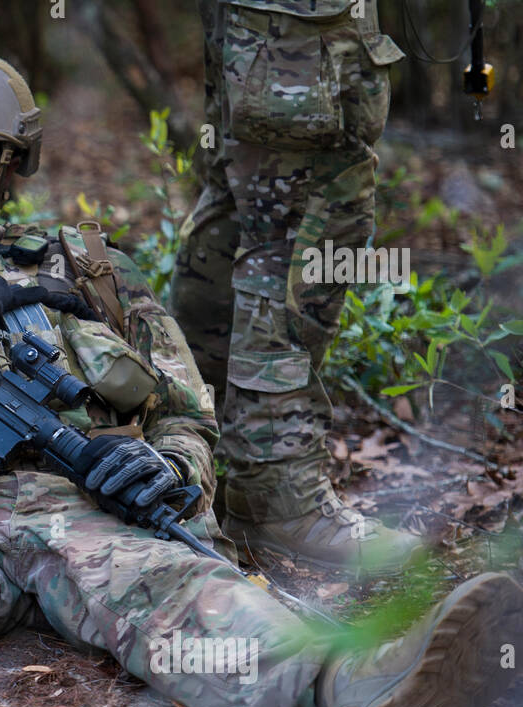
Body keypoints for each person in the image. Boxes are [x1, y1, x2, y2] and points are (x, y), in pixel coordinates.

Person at [0, 49, 523, 707]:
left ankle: (344, 687)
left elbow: (186, 412)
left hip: (84, 519)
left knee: (189, 591)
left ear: (9, 166)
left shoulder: (86, 271)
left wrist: (165, 467)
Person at [170, 0, 417, 572]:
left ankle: (186, 450)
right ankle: (275, 501)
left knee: (245, 203)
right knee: (306, 225)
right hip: (303, 17)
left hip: (267, 17)